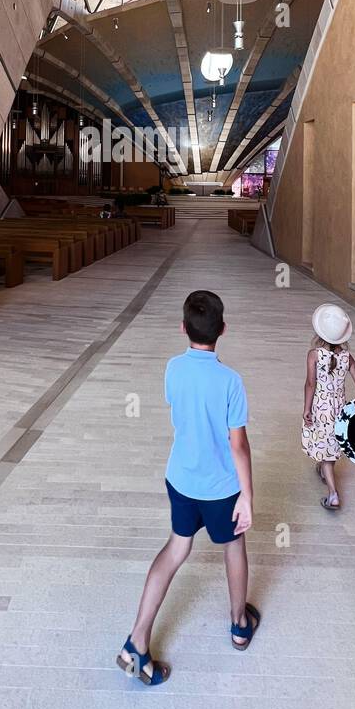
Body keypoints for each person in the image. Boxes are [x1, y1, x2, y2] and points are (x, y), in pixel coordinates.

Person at [117, 290, 259, 685]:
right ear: (223, 330)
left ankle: (137, 640)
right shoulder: (231, 381)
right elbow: (238, 445)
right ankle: (237, 623)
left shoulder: (173, 369)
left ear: (183, 328)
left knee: (176, 547)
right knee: (234, 545)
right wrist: (246, 496)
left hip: (181, 479)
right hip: (220, 487)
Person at [302, 303, 355, 510]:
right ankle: (323, 470)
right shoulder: (347, 358)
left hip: (321, 409)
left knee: (325, 451)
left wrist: (307, 409)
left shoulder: (314, 355)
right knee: (332, 444)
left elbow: (310, 384)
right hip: (339, 408)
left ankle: (333, 494)